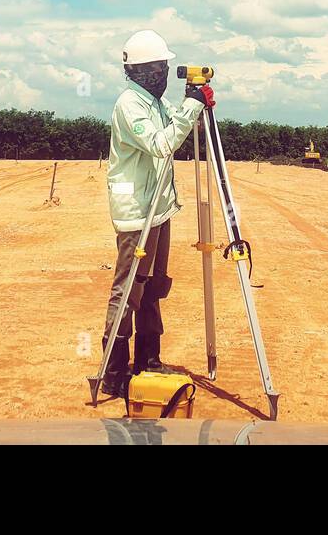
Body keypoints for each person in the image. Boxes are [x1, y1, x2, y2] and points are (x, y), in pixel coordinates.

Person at [100, 29, 214, 399]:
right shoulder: (129, 105)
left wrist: (194, 111)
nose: (165, 74)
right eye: (161, 67)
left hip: (159, 209)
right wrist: (192, 106)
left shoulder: (155, 103)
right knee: (129, 288)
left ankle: (148, 359)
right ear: (144, 70)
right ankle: (114, 372)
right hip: (137, 214)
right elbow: (161, 144)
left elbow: (176, 135)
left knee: (152, 286)